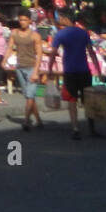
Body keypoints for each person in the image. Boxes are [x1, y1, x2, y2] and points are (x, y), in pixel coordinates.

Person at [43, 9, 95, 140]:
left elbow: (53, 53)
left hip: (70, 71)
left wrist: (49, 69)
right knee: (87, 100)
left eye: (60, 17)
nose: (59, 19)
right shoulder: (84, 33)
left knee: (72, 100)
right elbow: (91, 52)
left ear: (66, 19)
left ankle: (75, 128)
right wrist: (98, 70)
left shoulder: (61, 34)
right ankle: (91, 128)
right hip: (84, 70)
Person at [9, 8, 45, 130]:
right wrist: (4, 60)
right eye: (20, 20)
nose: (22, 22)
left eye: (25, 20)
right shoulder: (14, 33)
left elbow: (39, 54)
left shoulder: (35, 36)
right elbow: (9, 47)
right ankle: (39, 120)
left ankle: (25, 120)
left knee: (29, 96)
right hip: (20, 68)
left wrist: (36, 71)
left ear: (30, 21)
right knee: (29, 96)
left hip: (32, 68)